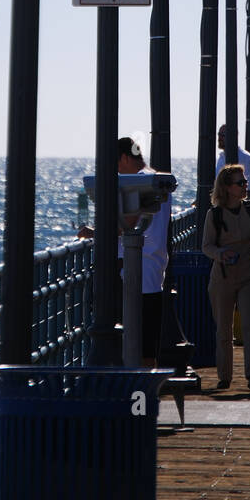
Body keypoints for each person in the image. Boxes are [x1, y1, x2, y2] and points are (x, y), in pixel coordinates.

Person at [77, 137, 171, 362]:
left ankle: (136, 391)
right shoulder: (155, 179)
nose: (114, 169)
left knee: (136, 341)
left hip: (136, 271)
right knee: (148, 344)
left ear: (125, 158)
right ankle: (146, 392)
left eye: (114, 162)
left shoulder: (138, 182)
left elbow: (126, 223)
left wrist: (94, 232)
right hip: (153, 268)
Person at [201, 164, 250, 390]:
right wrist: (221, 253)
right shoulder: (215, 215)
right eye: (240, 183)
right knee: (223, 328)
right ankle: (224, 376)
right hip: (222, 277)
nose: (244, 187)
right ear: (227, 188)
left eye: (245, 182)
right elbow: (206, 246)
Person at [215, 124, 250, 196]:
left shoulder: (246, 158)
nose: (219, 138)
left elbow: (249, 189)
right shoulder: (220, 158)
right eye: (219, 134)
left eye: (223, 135)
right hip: (222, 203)